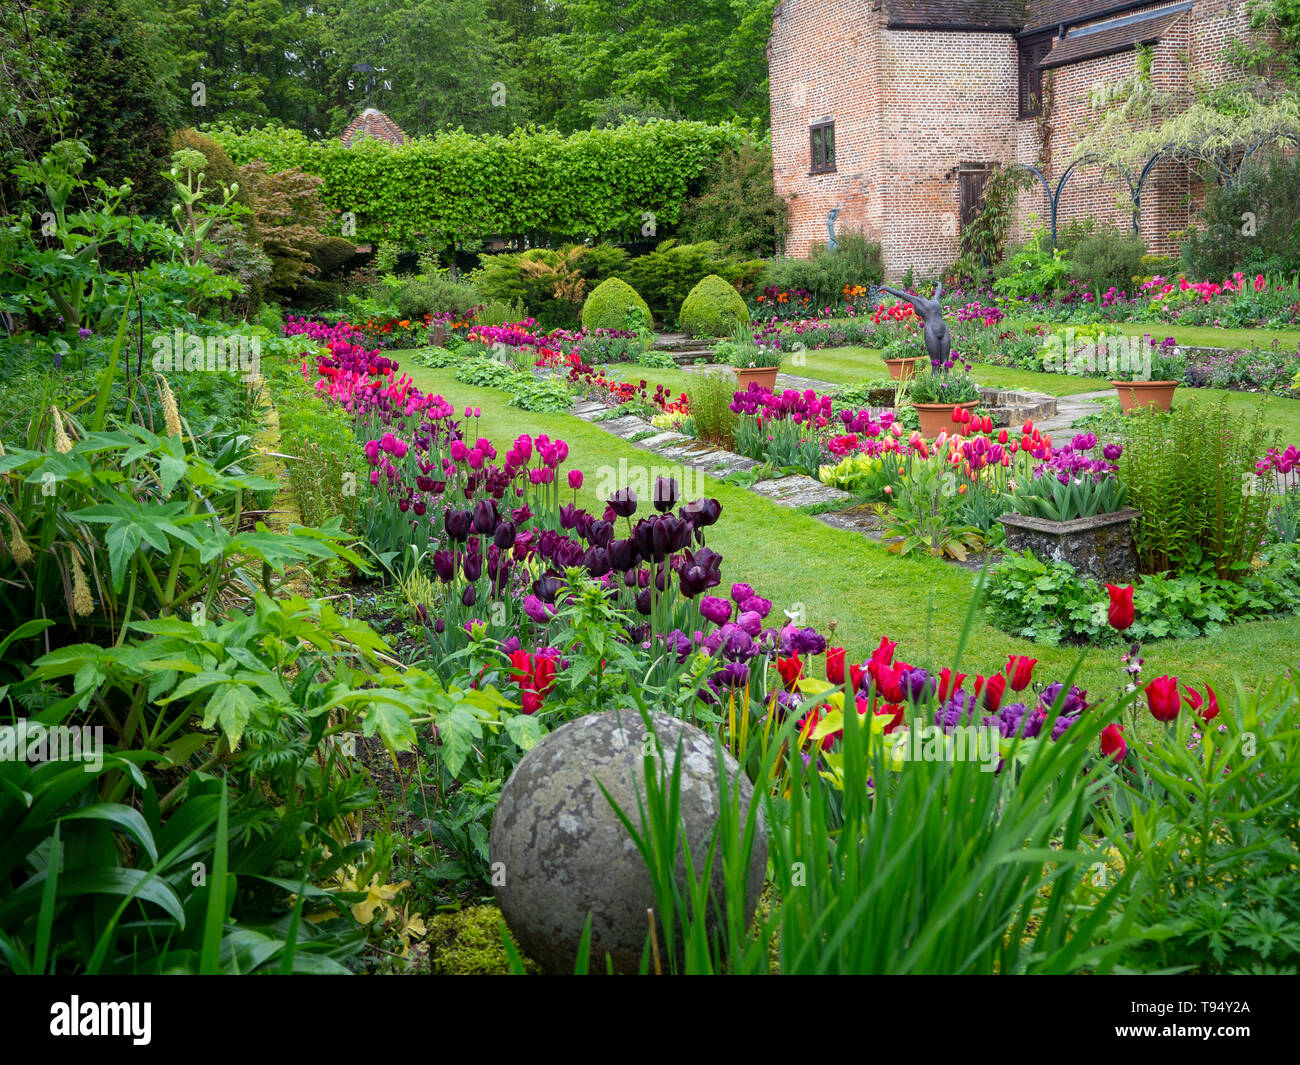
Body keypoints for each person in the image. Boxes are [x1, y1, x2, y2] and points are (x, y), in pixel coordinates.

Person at [874, 281, 951, 367]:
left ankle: (942, 380)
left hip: (932, 329)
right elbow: (938, 292)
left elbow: (900, 294)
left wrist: (886, 288)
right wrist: (939, 284)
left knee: (940, 364)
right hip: (942, 329)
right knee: (941, 363)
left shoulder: (919, 301)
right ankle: (938, 380)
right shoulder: (935, 302)